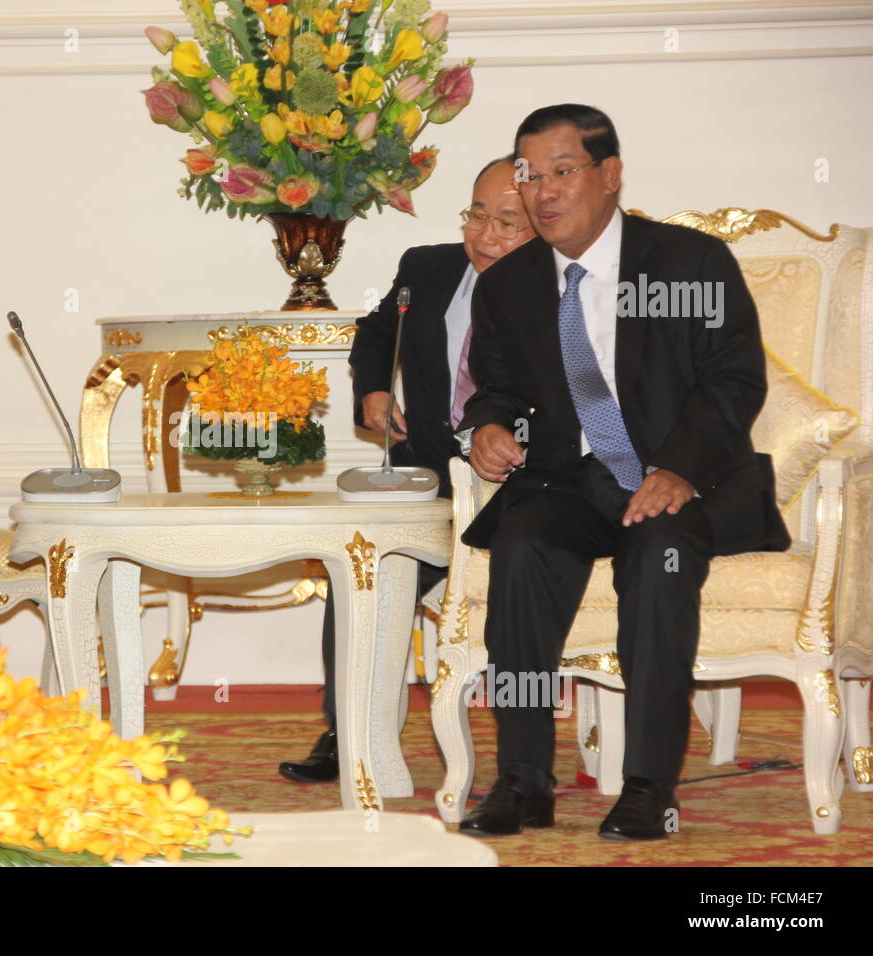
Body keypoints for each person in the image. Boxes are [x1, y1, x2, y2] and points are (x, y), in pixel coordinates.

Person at [455, 104, 789, 840]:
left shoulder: (687, 262)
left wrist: (678, 468)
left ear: (609, 175)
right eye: (529, 175)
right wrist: (486, 426)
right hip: (573, 482)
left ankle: (648, 786)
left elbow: (733, 380)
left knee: (658, 558)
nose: (543, 192)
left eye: (562, 172)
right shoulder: (509, 286)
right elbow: (500, 387)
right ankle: (523, 780)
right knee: (523, 544)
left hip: (680, 483)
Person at [279, 156, 535, 783]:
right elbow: (374, 334)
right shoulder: (427, 267)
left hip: (521, 489)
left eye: (508, 223)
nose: (485, 235)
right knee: (359, 572)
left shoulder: (559, 291)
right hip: (429, 481)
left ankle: (521, 762)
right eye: (477, 215)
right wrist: (372, 390)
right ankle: (348, 731)